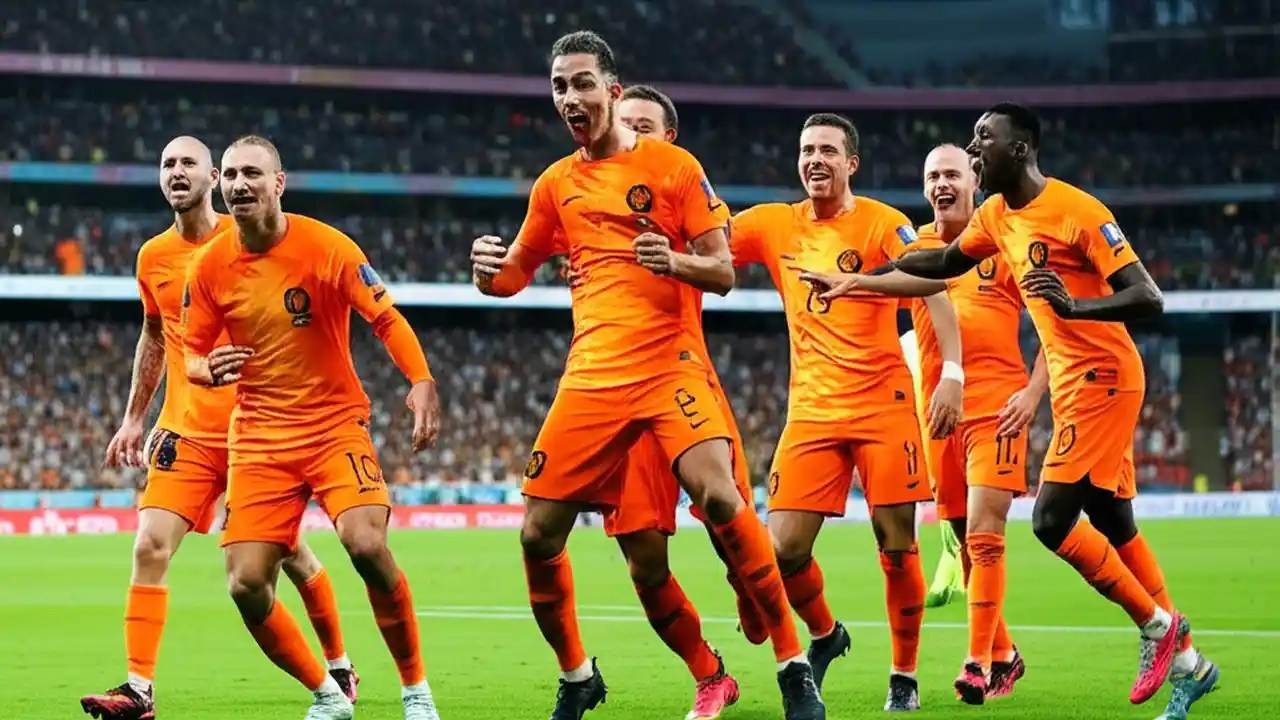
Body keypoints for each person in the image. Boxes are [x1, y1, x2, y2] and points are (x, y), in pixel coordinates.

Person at [469, 31, 824, 720]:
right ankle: (578, 676)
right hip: (593, 376)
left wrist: (673, 261)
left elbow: (721, 270)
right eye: (559, 86)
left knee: (719, 498)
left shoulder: (674, 169)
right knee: (538, 535)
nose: (570, 97)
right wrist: (490, 273)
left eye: (581, 83)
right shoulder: (554, 185)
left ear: (613, 89)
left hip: (669, 363)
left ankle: (792, 663)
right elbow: (515, 272)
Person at [882, 103, 1219, 718]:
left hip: (1105, 378)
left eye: (987, 138)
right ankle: (1190, 664)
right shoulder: (994, 215)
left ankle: (1155, 626)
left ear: (1023, 148)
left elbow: (1149, 297)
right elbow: (944, 263)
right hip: (1070, 384)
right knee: (1116, 524)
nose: (975, 146)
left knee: (1050, 520)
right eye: (974, 138)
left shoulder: (1077, 211)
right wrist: (871, 269)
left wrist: (1074, 309)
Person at [80, 136, 357, 720]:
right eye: (166, 164)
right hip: (186, 431)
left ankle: (337, 666)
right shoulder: (152, 257)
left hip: (255, 432)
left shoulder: (251, 242)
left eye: (188, 164)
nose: (176, 172)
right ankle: (138, 691)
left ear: (215, 177)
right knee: (150, 545)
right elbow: (156, 335)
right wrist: (135, 418)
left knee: (290, 556)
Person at [182, 135, 442, 720]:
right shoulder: (208, 268)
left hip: (332, 426)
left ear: (279, 183)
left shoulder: (327, 248)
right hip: (259, 436)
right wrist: (205, 370)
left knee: (366, 544)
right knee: (247, 584)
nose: (239, 183)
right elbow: (191, 353)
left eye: (253, 172)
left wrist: (421, 379)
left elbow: (384, 316)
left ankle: (416, 692)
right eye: (229, 174)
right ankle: (329, 694)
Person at [732, 113, 965, 712]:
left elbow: (933, 283)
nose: (815, 160)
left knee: (895, 546)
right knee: (781, 551)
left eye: (828, 151)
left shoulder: (884, 223)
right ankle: (827, 634)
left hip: (882, 406)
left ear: (850, 163)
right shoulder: (772, 225)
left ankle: (904, 675)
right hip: (810, 412)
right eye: (807, 149)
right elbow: (703, 242)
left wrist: (952, 375)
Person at [803, 143, 1047, 703]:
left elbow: (1054, 330)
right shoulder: (914, 247)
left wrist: (1033, 394)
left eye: (952, 174)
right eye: (932, 174)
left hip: (998, 409)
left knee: (985, 533)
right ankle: (1005, 653)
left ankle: (977, 664)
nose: (942, 183)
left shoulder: (1001, 244)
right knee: (962, 537)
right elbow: (883, 287)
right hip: (936, 416)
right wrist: (850, 282)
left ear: (974, 181)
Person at [558, 83, 757, 719]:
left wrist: (674, 256)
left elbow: (722, 256)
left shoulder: (687, 194)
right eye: (626, 122)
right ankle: (709, 673)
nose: (629, 132)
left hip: (683, 383)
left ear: (668, 139)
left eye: (645, 125)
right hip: (612, 394)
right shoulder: (582, 191)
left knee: (729, 520)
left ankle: (765, 612)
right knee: (645, 566)